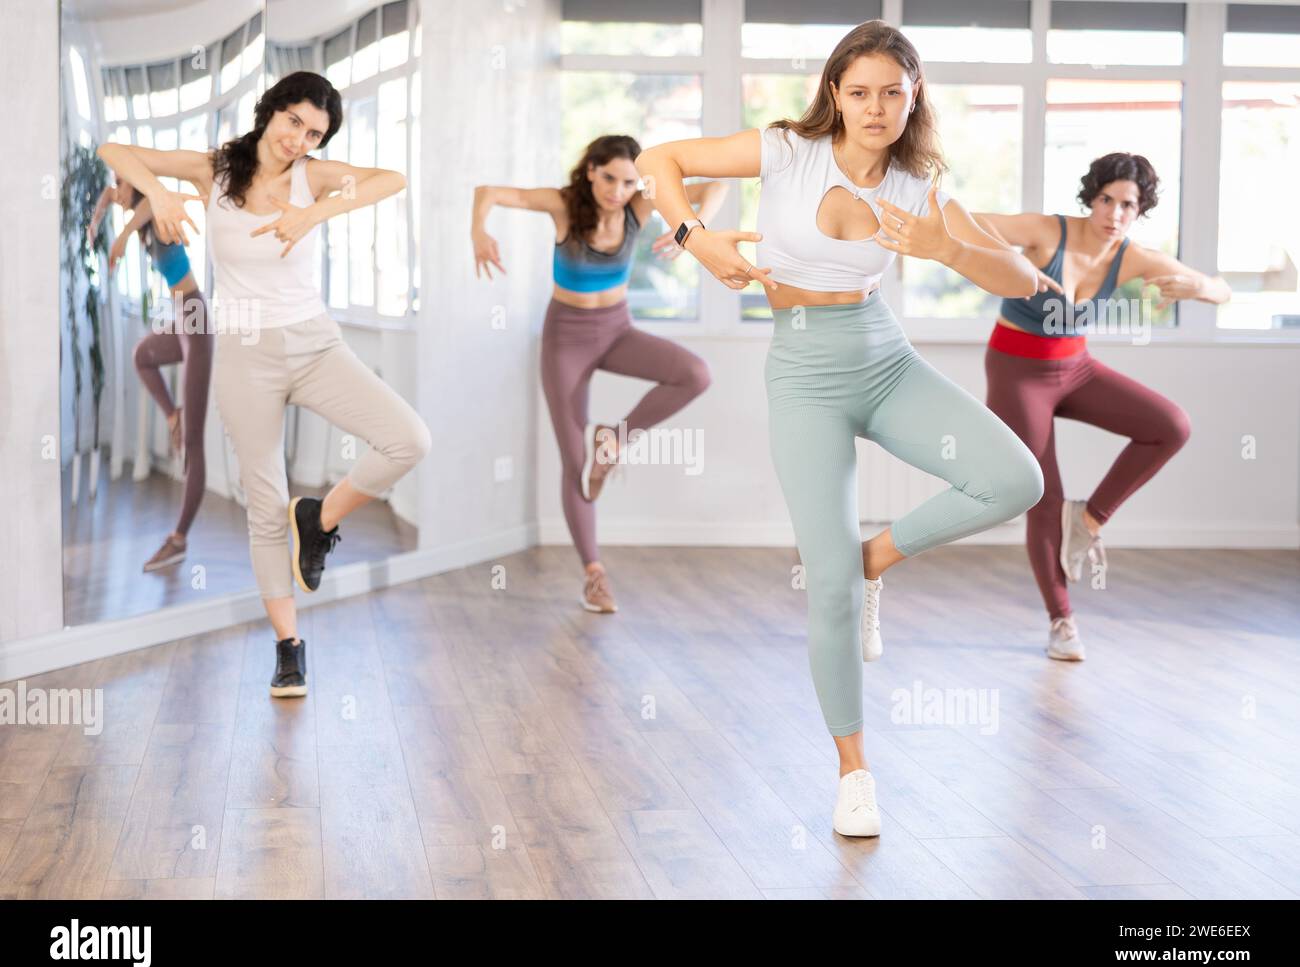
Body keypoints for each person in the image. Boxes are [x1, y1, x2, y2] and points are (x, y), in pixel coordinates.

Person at [635, 20, 1046, 837]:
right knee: (824, 588)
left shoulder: (920, 181)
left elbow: (1025, 276)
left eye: (893, 92)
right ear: (834, 94)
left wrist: (946, 246)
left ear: (914, 96)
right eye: (859, 91)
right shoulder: (787, 149)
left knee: (1015, 478)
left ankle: (873, 561)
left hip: (885, 360)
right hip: (802, 372)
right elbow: (659, 162)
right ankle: (855, 774)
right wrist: (695, 235)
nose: (876, 107)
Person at [98, 70, 431, 698]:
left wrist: (319, 212)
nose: (300, 139)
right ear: (271, 109)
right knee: (262, 501)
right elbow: (114, 152)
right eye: (294, 121)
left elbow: (394, 179)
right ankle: (289, 648)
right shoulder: (213, 170)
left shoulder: (314, 176)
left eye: (315, 133)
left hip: (314, 344)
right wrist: (156, 195)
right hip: (246, 355)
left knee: (409, 439)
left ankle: (321, 516)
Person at [973, 152, 1227, 660]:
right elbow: (969, 223)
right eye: (1106, 199)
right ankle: (1061, 622)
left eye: (1127, 205)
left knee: (1170, 425)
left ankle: (1088, 521)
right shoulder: (1047, 232)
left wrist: (1202, 288)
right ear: (1091, 198)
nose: (1114, 213)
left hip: (1075, 368)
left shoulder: (1132, 256)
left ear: (1140, 210)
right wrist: (1008, 259)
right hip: (1017, 371)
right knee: (1042, 494)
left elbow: (1222, 290)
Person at [472, 134, 721, 612]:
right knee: (575, 464)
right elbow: (490, 191)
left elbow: (715, 185)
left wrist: (694, 224)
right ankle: (594, 574)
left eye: (629, 181)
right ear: (590, 170)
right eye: (609, 177)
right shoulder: (564, 205)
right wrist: (479, 230)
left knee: (695, 373)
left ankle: (615, 436)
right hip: (565, 339)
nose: (617, 190)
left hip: (617, 330)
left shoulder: (640, 206)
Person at [87, 178, 212, 572]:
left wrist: (121, 235)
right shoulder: (140, 215)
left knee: (193, 443)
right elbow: (116, 196)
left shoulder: (156, 213)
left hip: (196, 319)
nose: (115, 190)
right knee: (142, 354)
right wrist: (103, 205)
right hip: (182, 318)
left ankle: (178, 539)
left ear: (138, 191)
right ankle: (172, 414)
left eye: (122, 185)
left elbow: (145, 198)